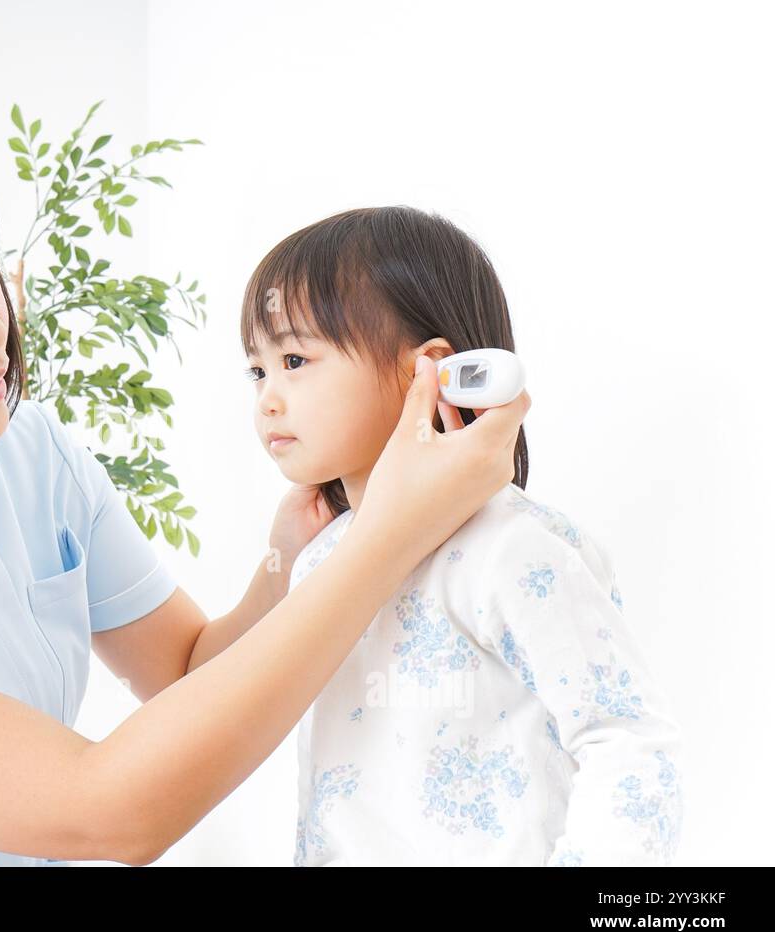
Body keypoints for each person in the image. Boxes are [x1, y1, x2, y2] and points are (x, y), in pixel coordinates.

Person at [0, 99, 530, 865]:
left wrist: (285, 560)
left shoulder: (27, 453)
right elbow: (114, 812)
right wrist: (391, 536)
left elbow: (185, 672)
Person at [238, 206, 684, 866]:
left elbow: (626, 740)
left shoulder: (512, 550)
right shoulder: (322, 561)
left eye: (296, 359)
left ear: (432, 370)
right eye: (257, 370)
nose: (268, 398)